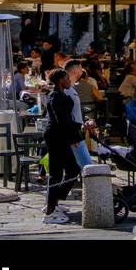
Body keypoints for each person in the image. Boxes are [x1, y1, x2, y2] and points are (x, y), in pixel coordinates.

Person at [43, 68, 83, 224]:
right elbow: (62, 121)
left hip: (60, 136)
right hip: (57, 137)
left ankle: (54, 202)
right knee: (58, 173)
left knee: (71, 170)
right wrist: (79, 127)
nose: (69, 81)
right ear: (60, 80)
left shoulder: (59, 95)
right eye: (67, 78)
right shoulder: (56, 97)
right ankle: (50, 211)